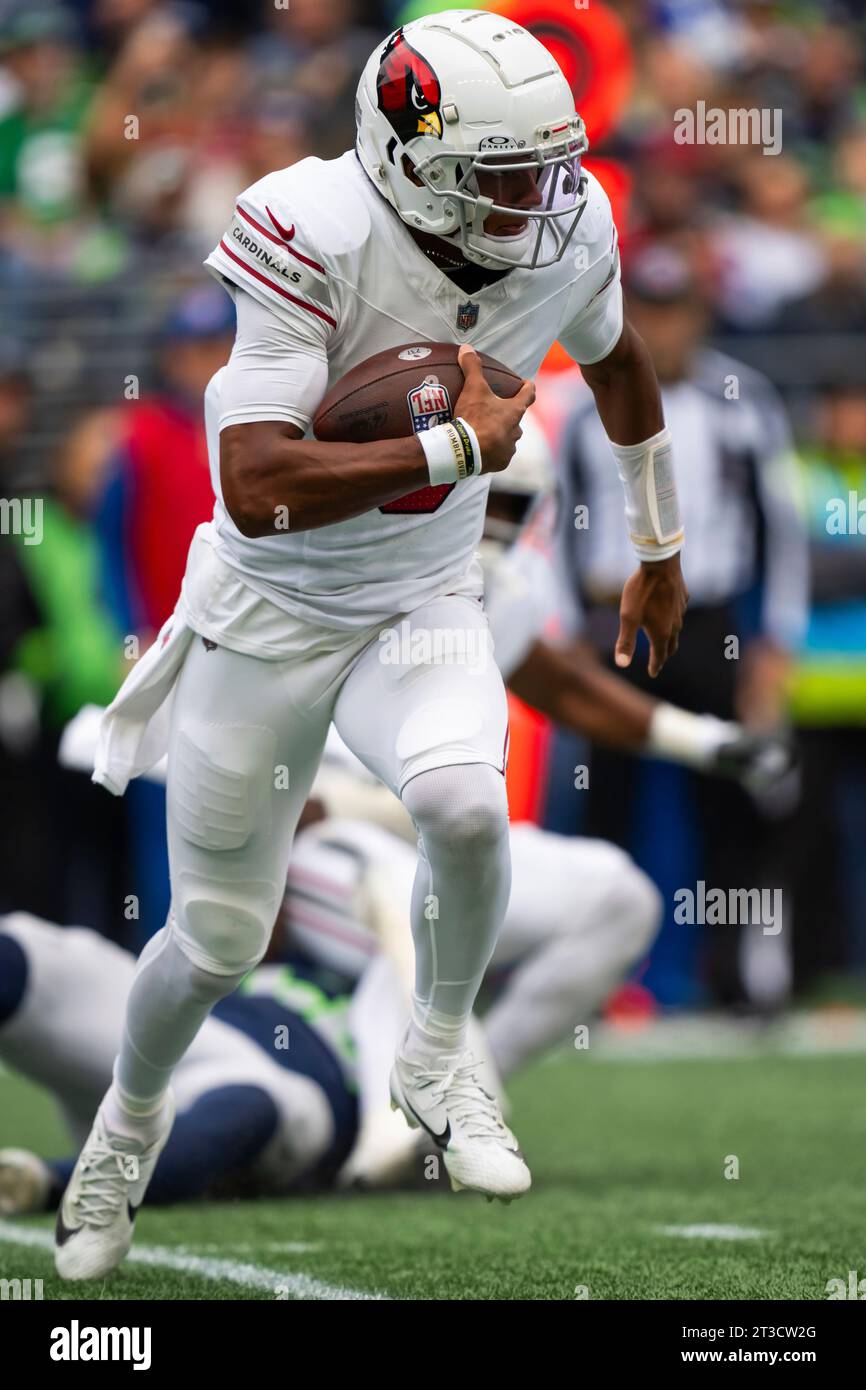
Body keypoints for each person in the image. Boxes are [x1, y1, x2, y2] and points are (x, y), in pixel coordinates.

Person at [55, 11, 689, 1279]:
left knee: (462, 803)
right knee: (214, 941)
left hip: (421, 594)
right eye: (502, 176)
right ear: (409, 161)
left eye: (546, 168)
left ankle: (439, 1052)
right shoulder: (313, 225)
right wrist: (453, 446)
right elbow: (255, 486)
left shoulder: (564, 224)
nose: (537, 202)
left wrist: (657, 547)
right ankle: (124, 1129)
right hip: (269, 610)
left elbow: (617, 367)